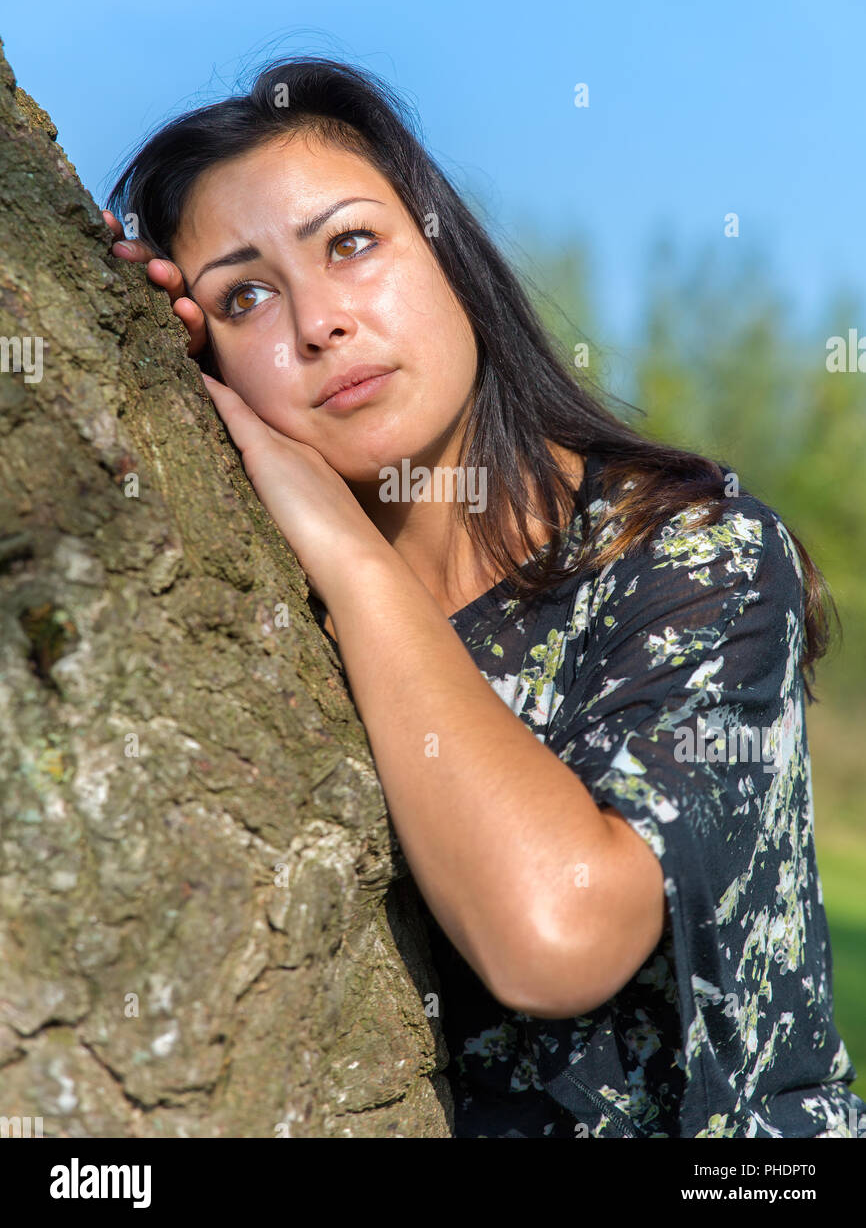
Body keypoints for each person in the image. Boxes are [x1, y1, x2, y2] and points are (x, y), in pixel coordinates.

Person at [103, 55, 865, 1139]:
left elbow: (553, 936)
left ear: (445, 249)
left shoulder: (694, 553)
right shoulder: (256, 628)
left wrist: (348, 552)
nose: (318, 321)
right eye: (246, 295)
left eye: (350, 243)